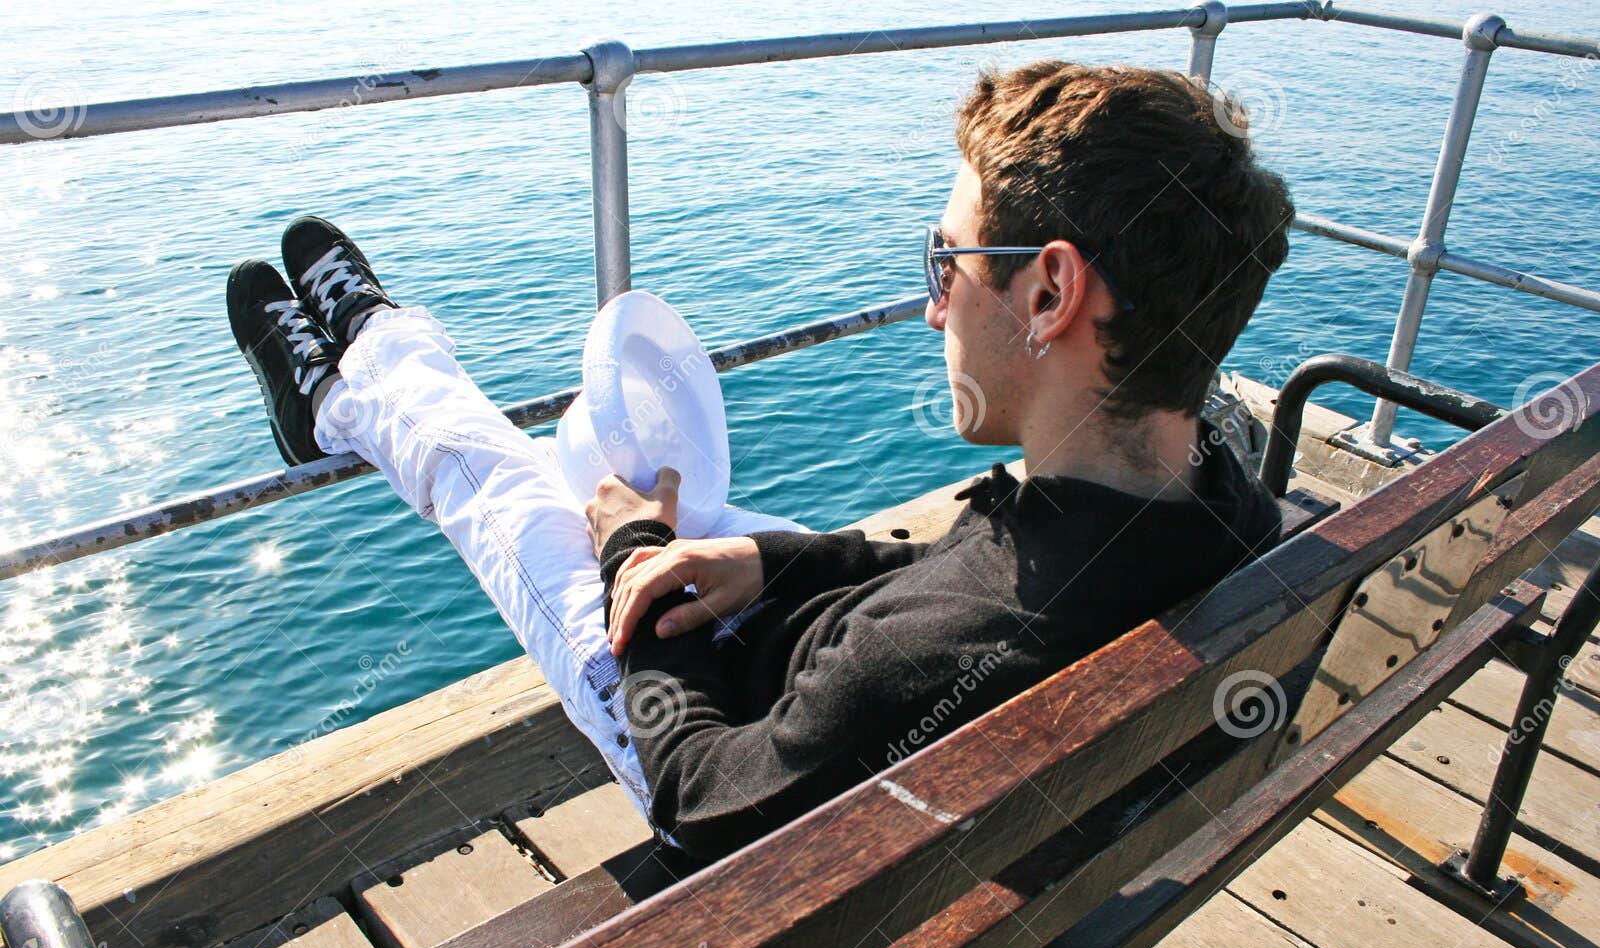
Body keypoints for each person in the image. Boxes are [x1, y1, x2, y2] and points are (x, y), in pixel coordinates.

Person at [227, 61, 1293, 861]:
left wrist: (633, 558)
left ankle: (356, 381)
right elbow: (961, 579)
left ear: (1051, 295)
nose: (932, 306)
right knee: (671, 512)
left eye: (948, 259)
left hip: (725, 745)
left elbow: (696, 798)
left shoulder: (925, 660)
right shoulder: (1227, 503)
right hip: (968, 816)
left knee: (512, 492)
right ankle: (365, 366)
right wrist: (775, 560)